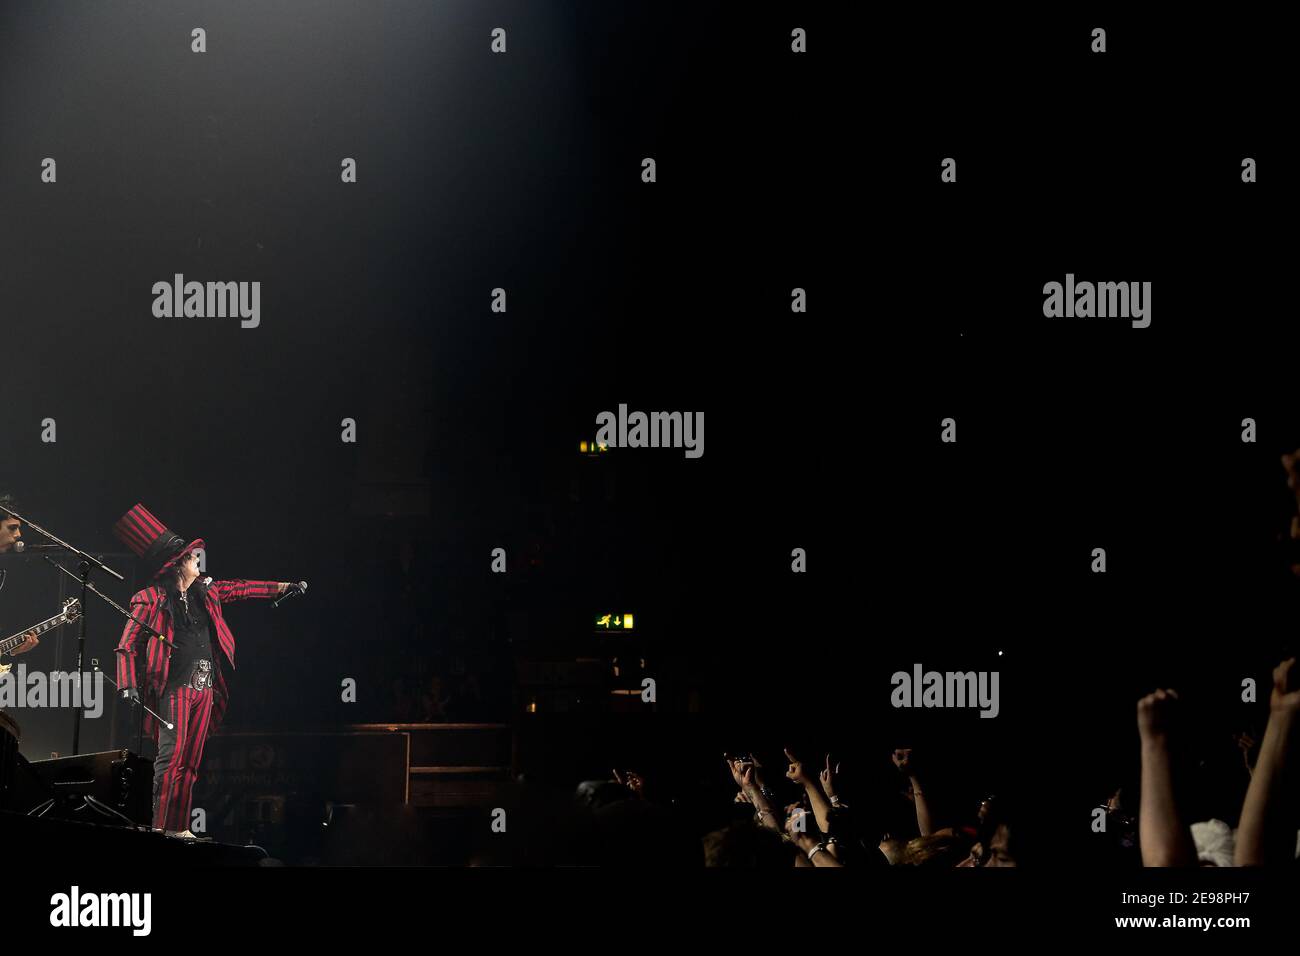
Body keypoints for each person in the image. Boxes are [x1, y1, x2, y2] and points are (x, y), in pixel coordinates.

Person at [112, 503, 294, 839]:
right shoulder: (150, 599)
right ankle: (160, 828)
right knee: (171, 761)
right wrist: (128, 683)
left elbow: (240, 588)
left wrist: (281, 587)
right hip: (174, 688)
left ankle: (179, 827)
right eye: (193, 558)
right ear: (178, 564)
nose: (198, 562)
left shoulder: (206, 593)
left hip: (204, 687)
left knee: (191, 764)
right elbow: (127, 644)